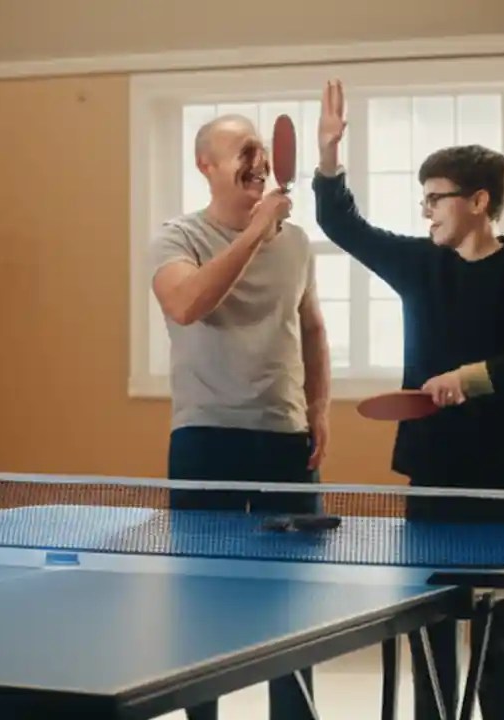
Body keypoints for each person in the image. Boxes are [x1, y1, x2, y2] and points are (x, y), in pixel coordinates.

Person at [310, 79, 504, 720]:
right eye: (423, 199)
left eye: (436, 198)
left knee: (500, 638)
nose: (426, 210)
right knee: (430, 629)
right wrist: (328, 157)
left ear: (479, 202)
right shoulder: (419, 263)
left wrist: (474, 376)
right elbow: (341, 223)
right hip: (431, 474)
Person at [149, 114, 331, 720]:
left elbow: (311, 326)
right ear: (205, 166)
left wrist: (319, 407)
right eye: (242, 151)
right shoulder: (176, 237)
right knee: (202, 600)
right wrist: (255, 232)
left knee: (294, 604)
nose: (258, 161)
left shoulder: (296, 243)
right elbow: (186, 304)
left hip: (285, 439)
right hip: (206, 440)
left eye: (262, 150)